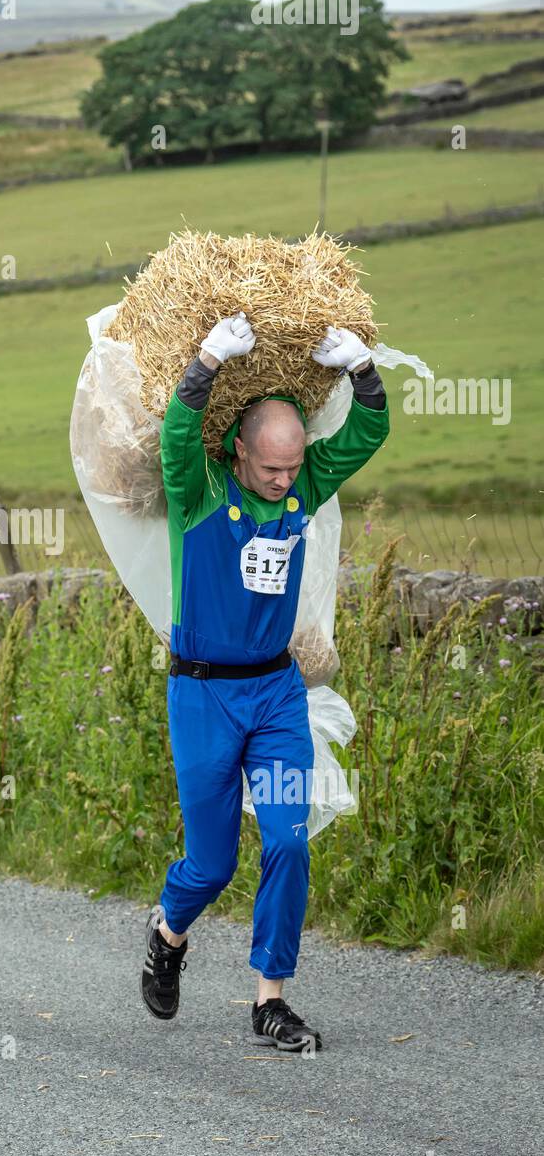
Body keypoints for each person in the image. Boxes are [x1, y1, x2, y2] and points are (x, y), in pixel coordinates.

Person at [141, 315, 389, 1050]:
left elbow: (366, 436)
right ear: (237, 451)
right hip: (204, 697)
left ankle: (270, 1000)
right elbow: (176, 436)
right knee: (212, 863)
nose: (287, 481)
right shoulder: (198, 490)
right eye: (272, 469)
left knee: (288, 839)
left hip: (276, 694)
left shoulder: (303, 485)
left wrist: (365, 373)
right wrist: (209, 358)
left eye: (294, 468)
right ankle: (167, 932)